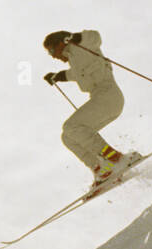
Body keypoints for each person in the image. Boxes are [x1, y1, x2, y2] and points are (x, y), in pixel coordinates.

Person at [43, 30, 141, 193]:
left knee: (71, 126)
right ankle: (101, 169)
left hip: (108, 96)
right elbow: (74, 74)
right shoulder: (75, 61)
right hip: (100, 100)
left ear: (61, 43)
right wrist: (57, 76)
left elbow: (95, 37)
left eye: (52, 51)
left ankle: (115, 158)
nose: (53, 56)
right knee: (67, 137)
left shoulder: (81, 45)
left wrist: (75, 37)